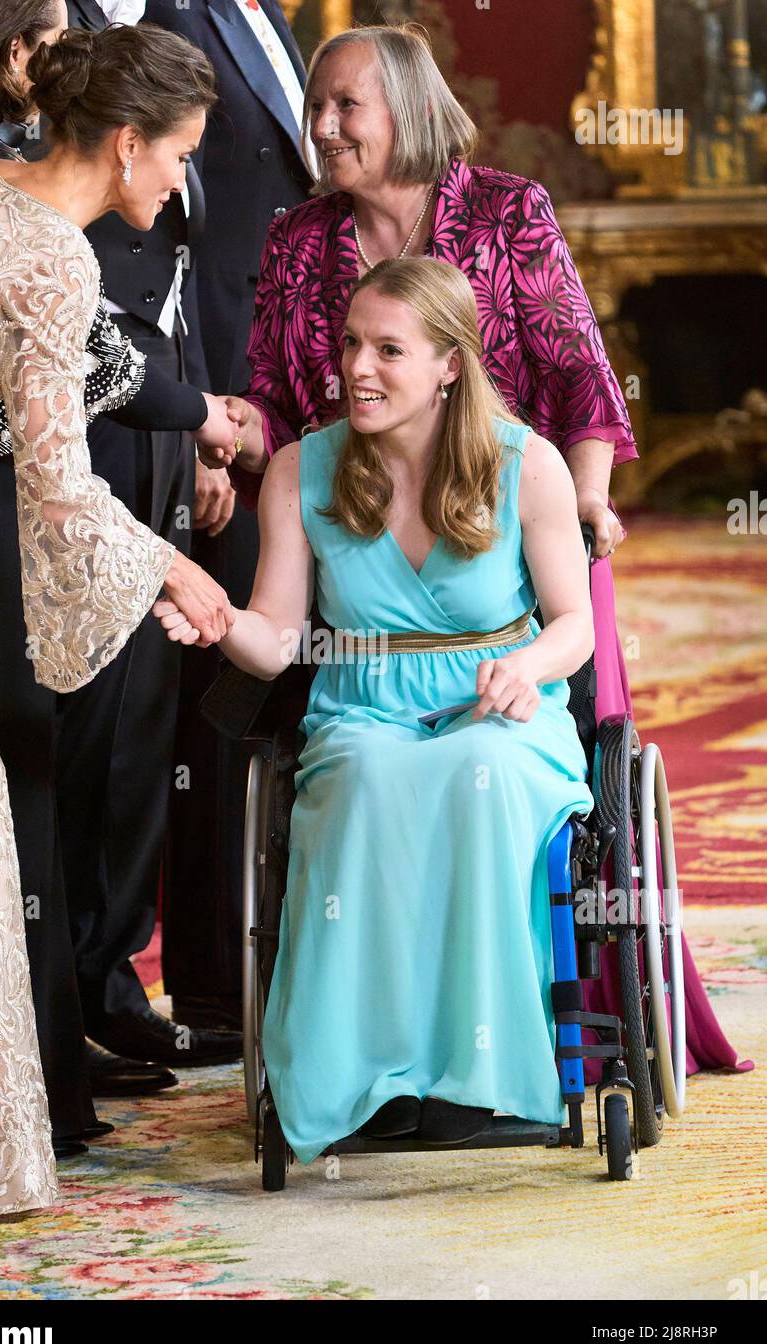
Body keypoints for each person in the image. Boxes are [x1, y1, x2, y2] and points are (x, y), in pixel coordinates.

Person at [211, 21, 750, 1083]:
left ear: (405, 111)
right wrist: (230, 440)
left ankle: (556, 1013)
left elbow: (580, 378)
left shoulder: (505, 214)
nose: (318, 128)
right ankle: (374, 1039)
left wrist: (586, 504)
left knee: (536, 762)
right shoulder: (296, 239)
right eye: (314, 105)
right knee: (354, 769)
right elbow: (275, 398)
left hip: (506, 527)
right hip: (356, 543)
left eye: (342, 108)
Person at [0, 22, 235, 1222]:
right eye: (179, 156)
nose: (179, 184)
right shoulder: (52, 254)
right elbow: (58, 484)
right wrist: (174, 577)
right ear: (128, 141)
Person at [157, 257, 595, 1156]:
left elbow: (574, 623)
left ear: (447, 365)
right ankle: (367, 1080)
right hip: (362, 709)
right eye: (352, 342)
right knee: (360, 783)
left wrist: (527, 669)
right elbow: (278, 640)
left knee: (482, 775)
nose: (357, 366)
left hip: (499, 707)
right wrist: (220, 620)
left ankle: (484, 1075)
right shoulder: (299, 471)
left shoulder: (528, 465)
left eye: (388, 349)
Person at [52, 0, 244, 1072]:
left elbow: (186, 284)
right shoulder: (57, 53)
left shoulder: (181, 35)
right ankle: (69, 981)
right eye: (171, 156)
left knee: (141, 718)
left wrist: (206, 428)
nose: (178, 173)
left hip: (170, 409)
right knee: (87, 707)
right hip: (81, 424)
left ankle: (112, 973)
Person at [146, 0, 314, 1036]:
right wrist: (207, 425)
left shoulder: (270, 16)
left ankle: (272, 960)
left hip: (285, 400)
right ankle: (210, 986)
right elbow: (180, 244)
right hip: (222, 406)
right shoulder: (176, 15)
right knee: (224, 683)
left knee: (278, 677)